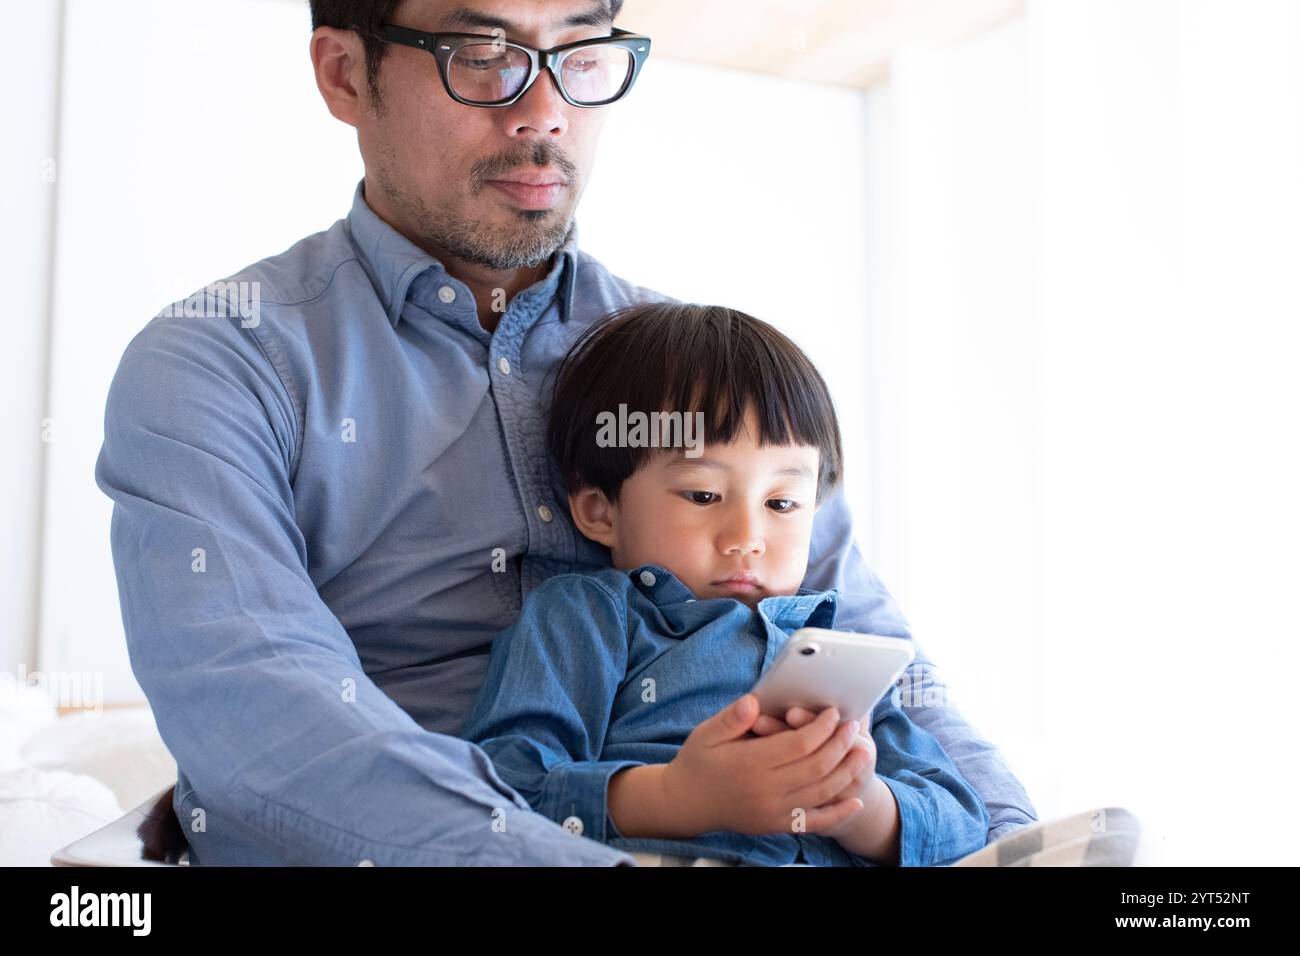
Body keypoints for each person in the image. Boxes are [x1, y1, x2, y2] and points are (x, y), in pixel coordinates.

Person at [94, 0, 1036, 865]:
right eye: (482, 54)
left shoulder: (704, 373)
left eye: (582, 56)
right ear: (346, 75)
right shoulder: (220, 362)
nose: (545, 113)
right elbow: (263, 716)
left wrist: (1013, 843)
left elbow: (877, 659)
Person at [461, 303, 991, 866]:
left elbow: (964, 825)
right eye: (703, 496)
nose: (746, 537)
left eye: (782, 503)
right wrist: (679, 797)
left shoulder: (834, 661)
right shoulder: (588, 618)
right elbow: (502, 788)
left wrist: (856, 798)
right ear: (600, 510)